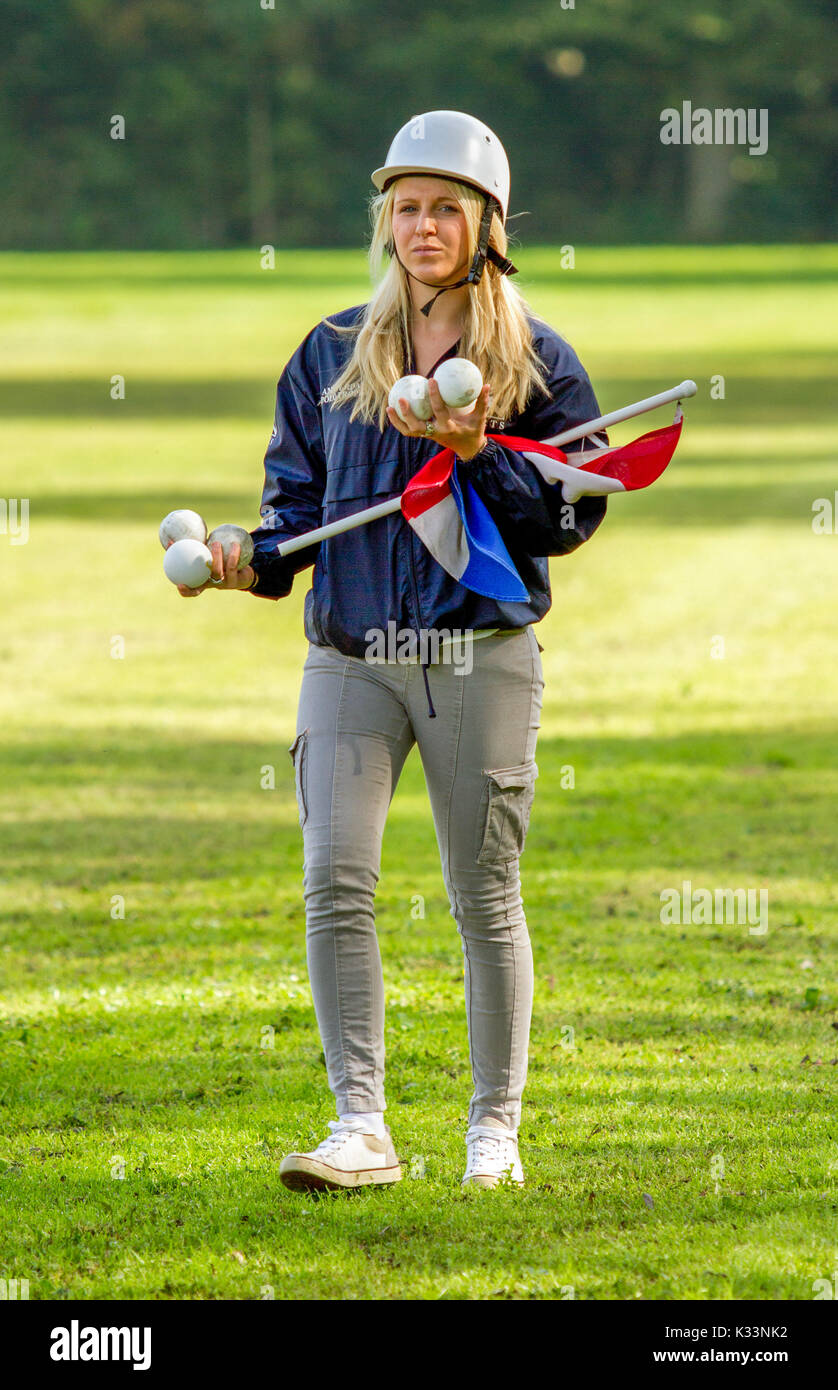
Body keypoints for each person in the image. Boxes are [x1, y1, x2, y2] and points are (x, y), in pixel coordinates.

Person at [177, 110, 608, 1191]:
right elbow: (293, 514)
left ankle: (492, 1133)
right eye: (406, 208)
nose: (423, 226)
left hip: (479, 655)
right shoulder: (328, 354)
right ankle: (359, 1126)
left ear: (486, 224)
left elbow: (572, 512)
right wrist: (246, 557)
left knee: (483, 894)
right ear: (386, 220)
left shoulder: (537, 361)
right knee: (334, 878)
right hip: (351, 656)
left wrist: (480, 452)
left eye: (445, 209)